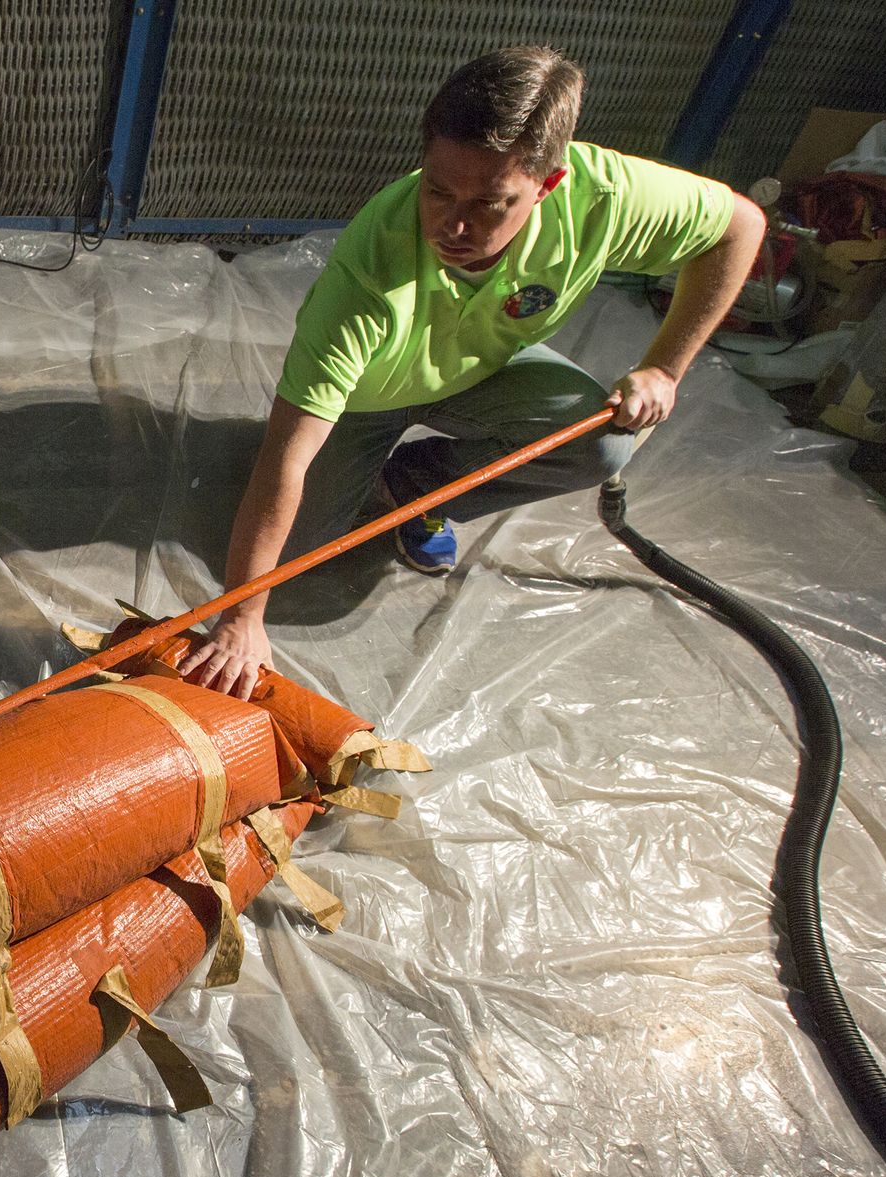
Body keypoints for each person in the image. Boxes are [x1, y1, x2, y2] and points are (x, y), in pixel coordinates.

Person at [178, 46, 764, 700]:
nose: (452, 225)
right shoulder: (371, 272)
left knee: (604, 442)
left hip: (483, 367)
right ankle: (361, 467)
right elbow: (286, 457)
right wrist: (241, 617)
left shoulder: (606, 197)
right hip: (367, 397)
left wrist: (664, 366)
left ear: (549, 186)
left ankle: (419, 486)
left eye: (490, 202)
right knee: (294, 565)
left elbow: (740, 226)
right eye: (437, 189)